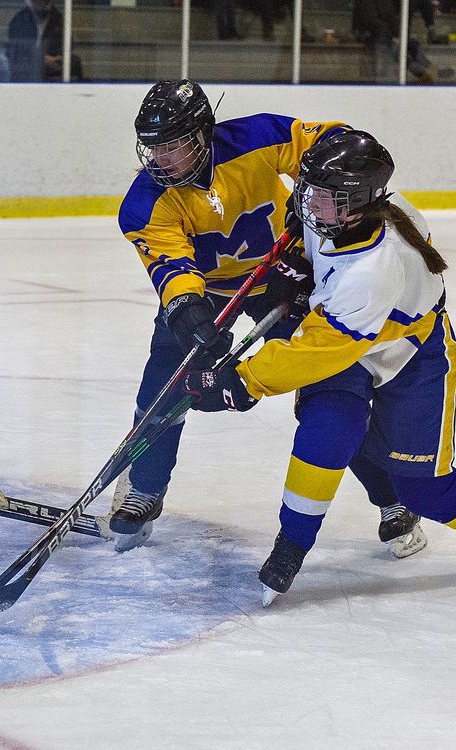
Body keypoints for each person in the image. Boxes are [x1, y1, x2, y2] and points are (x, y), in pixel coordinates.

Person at [181, 130, 456, 599]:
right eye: (308, 189)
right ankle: (290, 547)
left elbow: (317, 350)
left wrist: (240, 382)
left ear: (358, 203)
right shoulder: (344, 215)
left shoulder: (373, 271)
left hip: (412, 355)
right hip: (348, 336)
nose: (307, 203)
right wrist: (296, 267)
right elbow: (312, 252)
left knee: (425, 491)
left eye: (323, 197)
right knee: (328, 432)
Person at [112, 80, 427, 558]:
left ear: (203, 135)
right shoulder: (143, 203)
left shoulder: (256, 138)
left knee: (333, 386)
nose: (161, 160)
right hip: (210, 291)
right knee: (164, 384)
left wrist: (309, 197)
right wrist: (188, 313)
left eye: (173, 146)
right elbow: (172, 267)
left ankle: (391, 500)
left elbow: (331, 143)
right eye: (154, 148)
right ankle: (144, 488)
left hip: (281, 275)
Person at [7, 0, 83, 82]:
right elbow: (18, 48)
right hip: (29, 62)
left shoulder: (58, 18)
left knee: (74, 61)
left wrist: (57, 59)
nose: (46, 3)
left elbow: (68, 44)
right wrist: (41, 59)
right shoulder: (20, 19)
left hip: (54, 61)